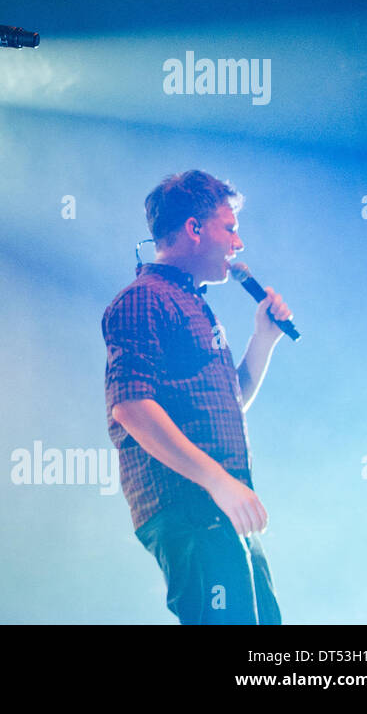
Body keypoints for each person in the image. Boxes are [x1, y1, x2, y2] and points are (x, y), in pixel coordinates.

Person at [102, 170, 292, 625]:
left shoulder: (192, 303)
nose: (238, 243)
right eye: (230, 228)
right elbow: (130, 406)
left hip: (214, 501)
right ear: (194, 228)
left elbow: (229, 403)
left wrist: (263, 339)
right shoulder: (144, 299)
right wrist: (219, 482)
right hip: (190, 503)